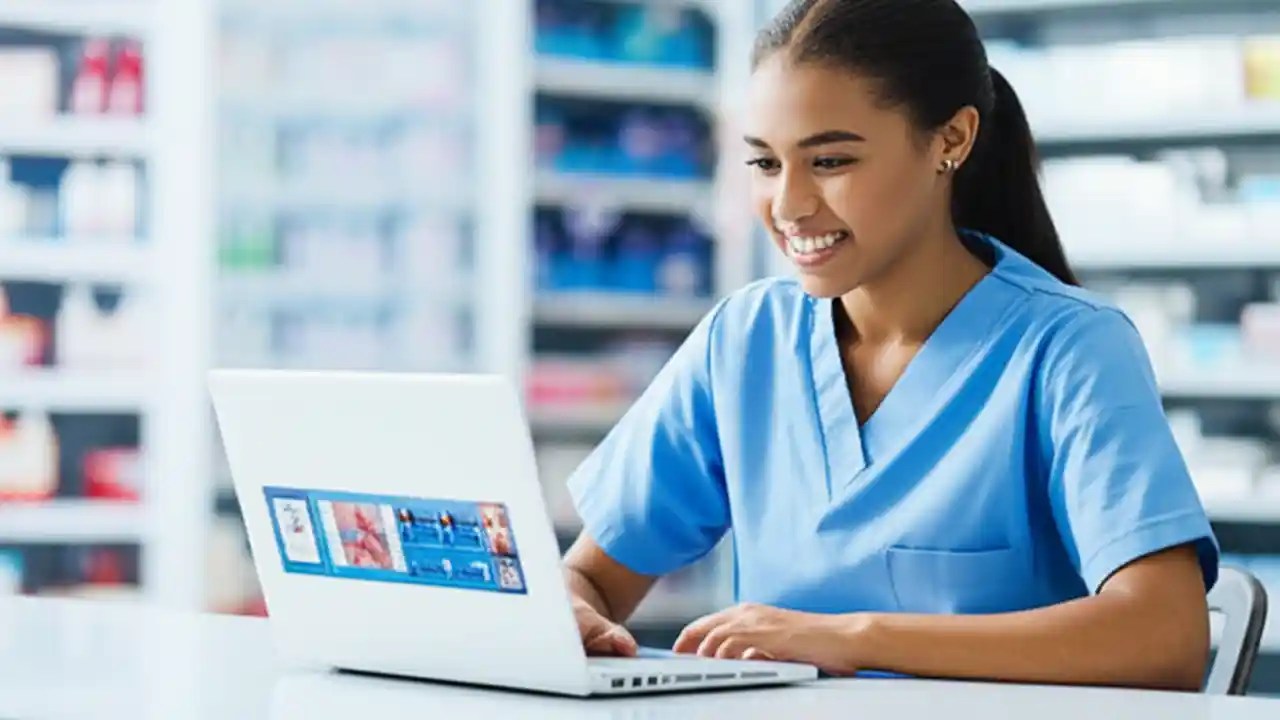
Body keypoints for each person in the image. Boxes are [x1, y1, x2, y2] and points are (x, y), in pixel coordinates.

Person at [561, 0, 1219, 692]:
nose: (787, 205)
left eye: (831, 160)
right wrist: (574, 612)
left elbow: (1164, 635)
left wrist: (851, 635)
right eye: (764, 162)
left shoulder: (1069, 349)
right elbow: (591, 577)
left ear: (951, 140)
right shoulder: (747, 340)